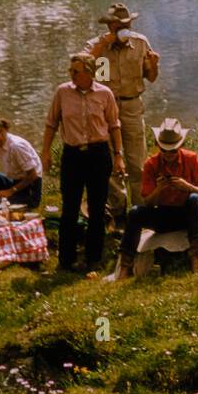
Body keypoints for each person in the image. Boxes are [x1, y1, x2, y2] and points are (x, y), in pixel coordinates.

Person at [41, 53, 125, 272]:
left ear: (89, 72)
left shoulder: (105, 94)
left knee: (97, 208)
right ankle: (66, 260)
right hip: (73, 155)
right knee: (69, 207)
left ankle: (93, 259)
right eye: (70, 71)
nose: (72, 75)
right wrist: (46, 152)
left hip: (99, 154)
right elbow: (51, 123)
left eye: (75, 71)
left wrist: (118, 155)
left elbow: (114, 126)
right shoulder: (62, 92)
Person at [109, 118, 198, 280]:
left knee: (193, 198)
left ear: (180, 146)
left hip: (190, 212)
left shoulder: (192, 159)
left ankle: (195, 257)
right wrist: (158, 190)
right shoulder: (151, 164)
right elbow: (148, 203)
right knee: (135, 212)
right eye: (165, 150)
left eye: (173, 151)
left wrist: (187, 187)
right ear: (158, 145)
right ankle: (125, 265)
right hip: (165, 213)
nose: (169, 155)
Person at [86, 3, 160, 219]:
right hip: (104, 108)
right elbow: (84, 72)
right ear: (110, 26)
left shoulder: (141, 43)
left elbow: (151, 77)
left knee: (137, 161)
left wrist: (154, 65)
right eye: (118, 26)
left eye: (127, 25)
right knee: (109, 162)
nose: (123, 30)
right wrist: (102, 46)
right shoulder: (98, 46)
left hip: (132, 106)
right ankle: (117, 211)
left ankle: (140, 211)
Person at [0, 113, 42, 210]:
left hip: (29, 190)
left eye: (1, 131)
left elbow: (33, 175)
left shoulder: (16, 146)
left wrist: (10, 191)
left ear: (6, 129)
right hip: (15, 182)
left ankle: (25, 205)